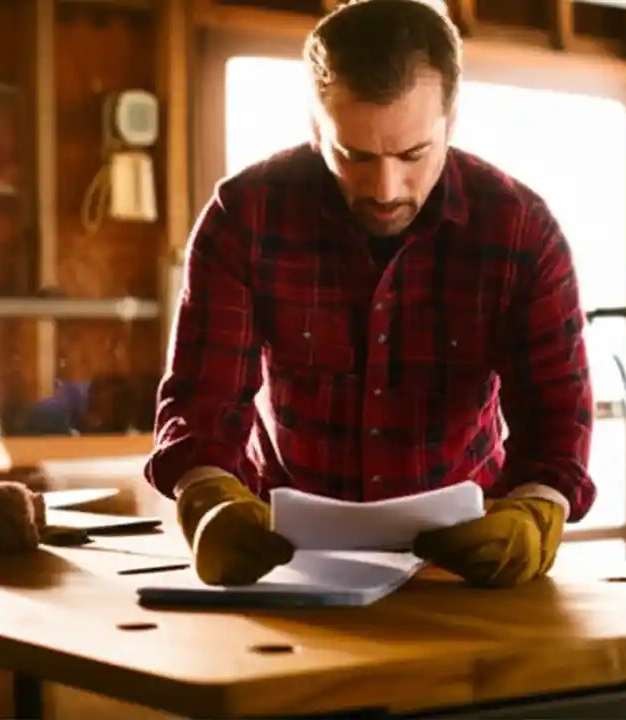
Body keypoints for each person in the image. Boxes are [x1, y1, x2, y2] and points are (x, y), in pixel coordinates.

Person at [145, 0, 596, 589]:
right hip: (281, 558)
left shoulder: (520, 230)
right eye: (354, 155)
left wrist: (536, 512)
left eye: (413, 155)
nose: (386, 188)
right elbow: (203, 402)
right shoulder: (244, 217)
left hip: (465, 567)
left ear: (450, 122)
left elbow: (557, 419)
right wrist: (208, 499)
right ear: (315, 127)